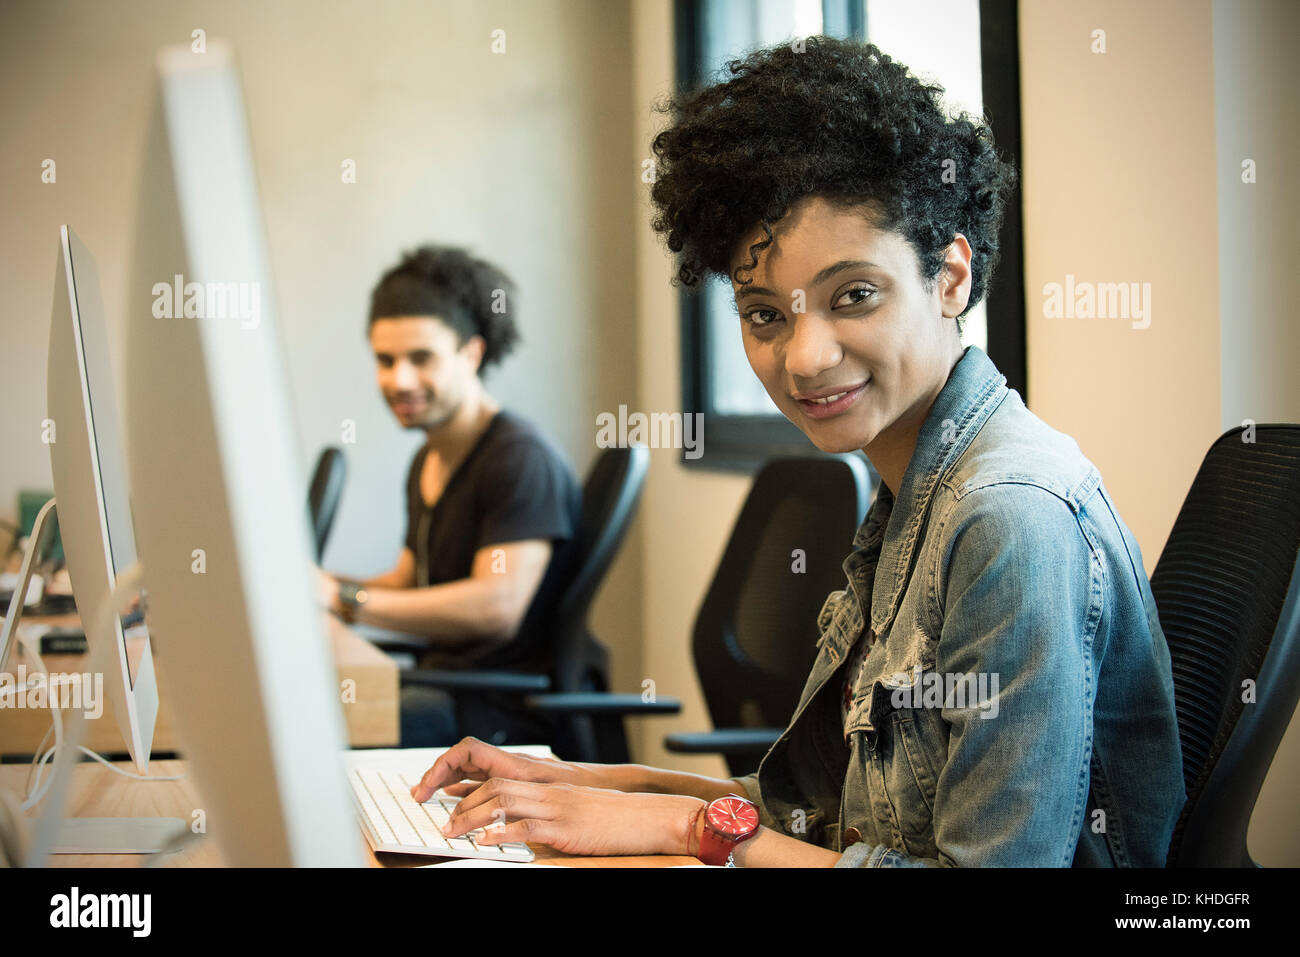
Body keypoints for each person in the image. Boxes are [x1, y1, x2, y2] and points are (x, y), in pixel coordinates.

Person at [408, 37, 1187, 866]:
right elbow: (821, 816)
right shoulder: (913, 490)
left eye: (854, 294)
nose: (805, 357)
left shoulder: (1007, 519)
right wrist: (575, 785)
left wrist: (686, 832)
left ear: (951, 277)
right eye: (765, 314)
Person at [316, 245, 582, 748]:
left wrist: (342, 598)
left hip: (495, 712)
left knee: (302, 721)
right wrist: (312, 589)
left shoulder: (519, 459)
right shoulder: (429, 459)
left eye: (421, 358)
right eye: (385, 360)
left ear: (471, 354)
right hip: (442, 686)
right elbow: (407, 578)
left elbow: (496, 605)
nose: (400, 380)